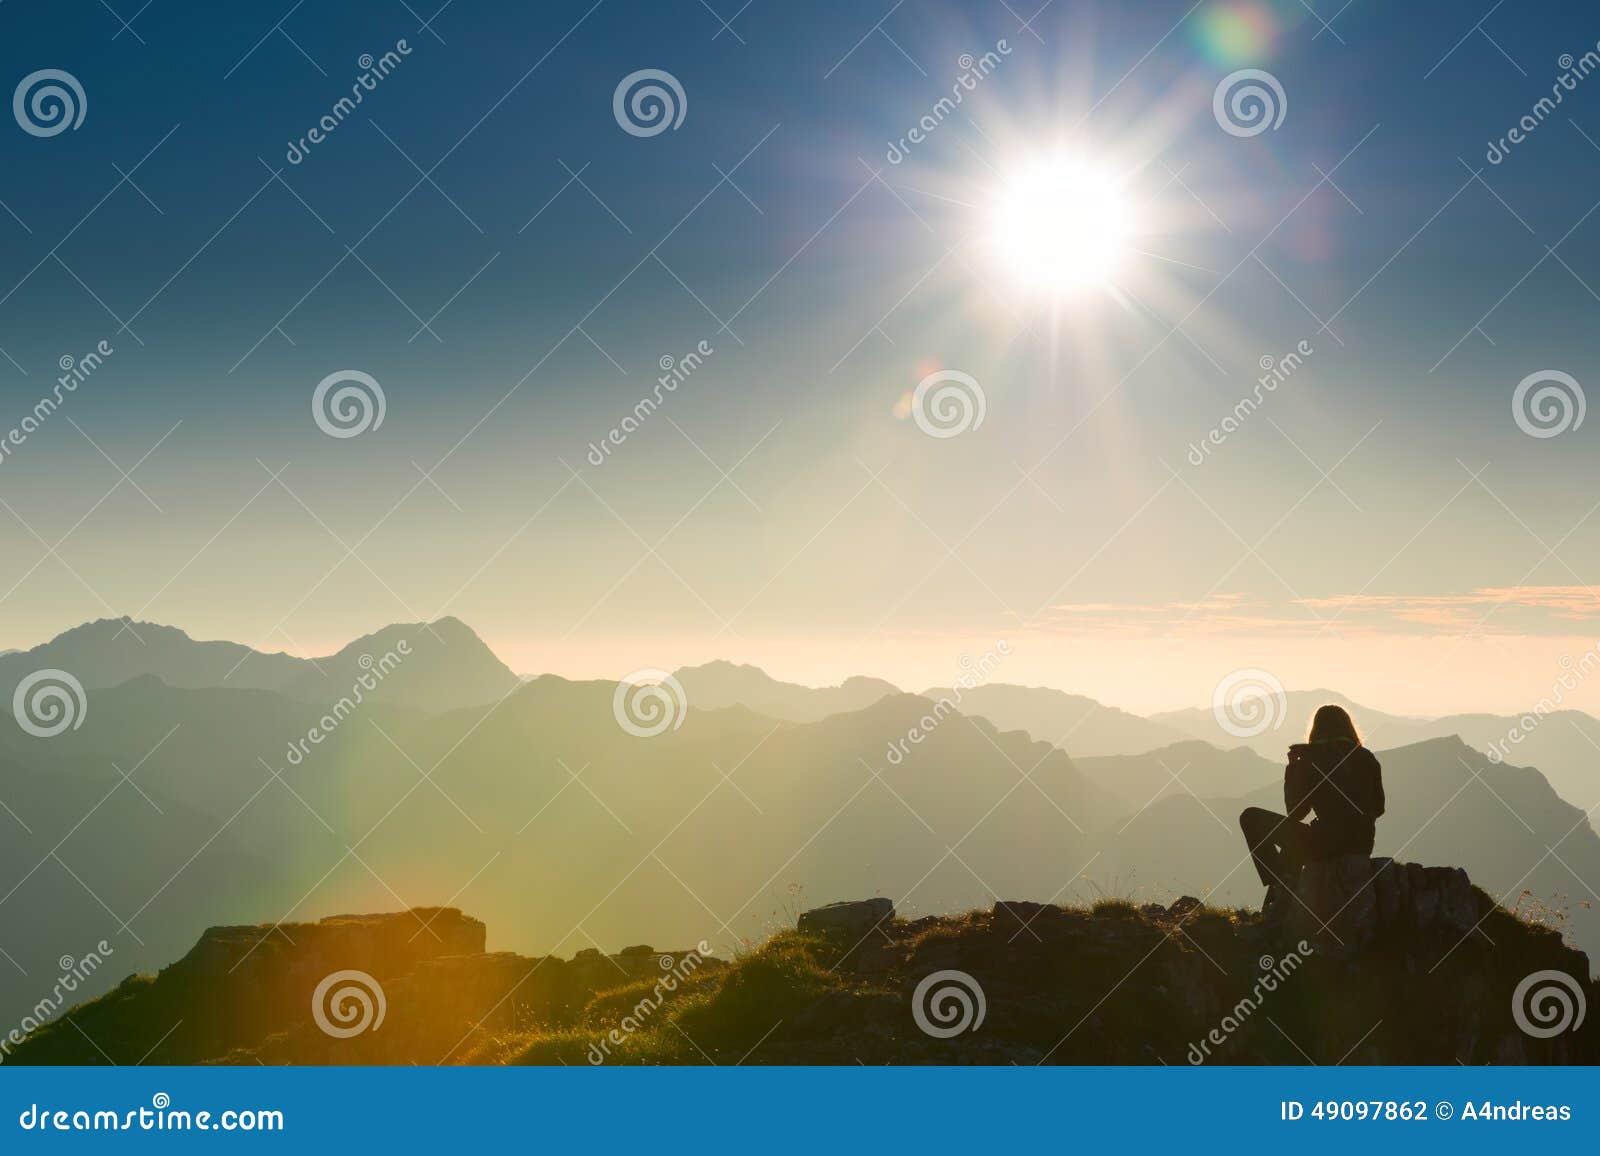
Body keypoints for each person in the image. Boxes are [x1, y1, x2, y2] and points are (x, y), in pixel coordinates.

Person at [1238, 704, 1384, 890]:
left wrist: (1293, 769)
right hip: (1362, 846)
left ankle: (1278, 885)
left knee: (1251, 818)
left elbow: (1296, 812)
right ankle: (1284, 889)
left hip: (1324, 845)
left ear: (1316, 730)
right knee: (1297, 842)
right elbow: (1379, 808)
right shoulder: (1367, 758)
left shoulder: (1311, 758)